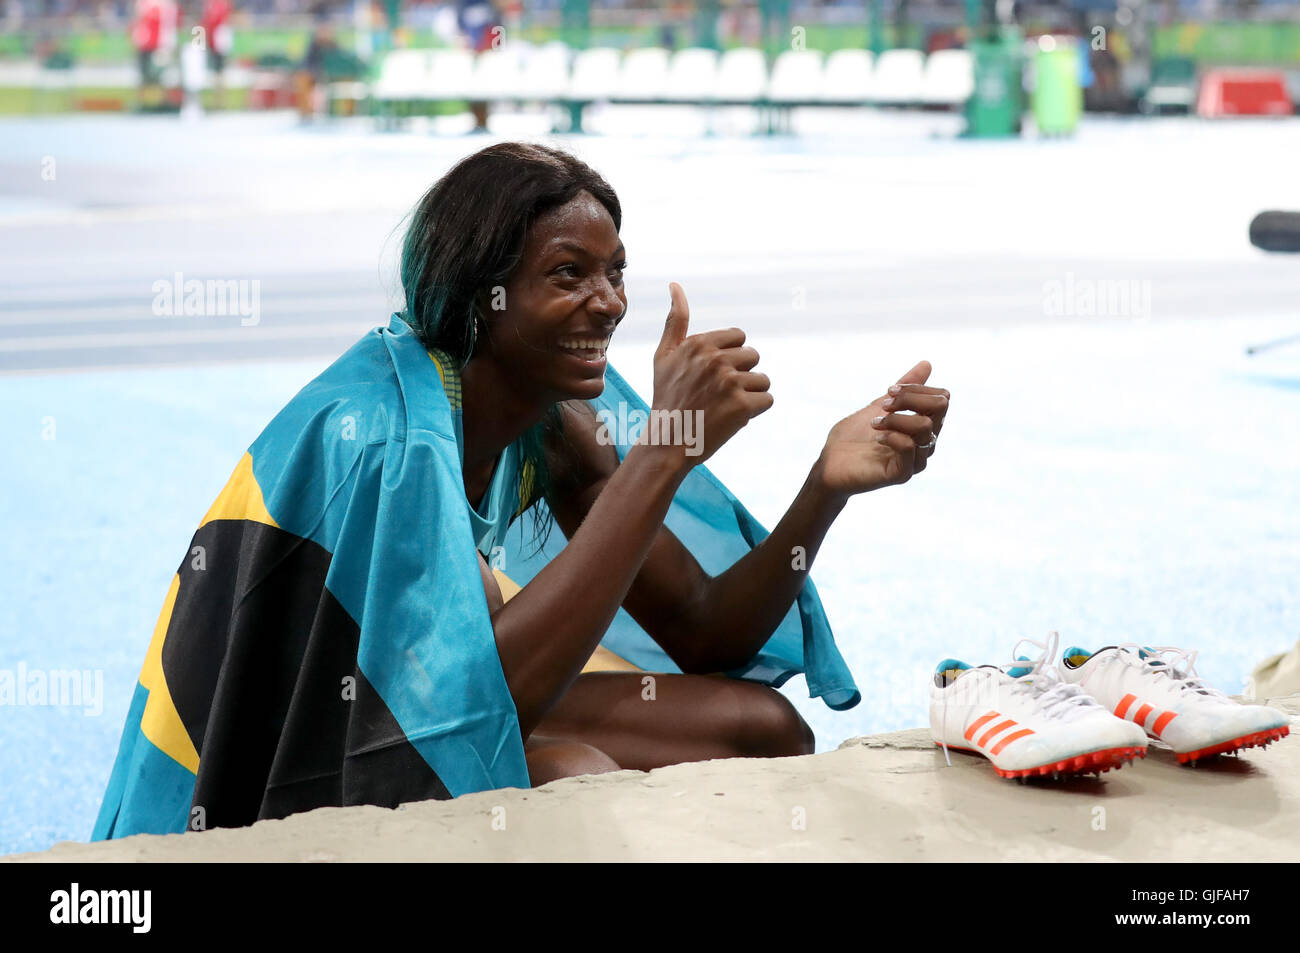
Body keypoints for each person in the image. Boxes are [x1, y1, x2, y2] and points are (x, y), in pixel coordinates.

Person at [92, 143, 950, 838]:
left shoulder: (557, 419)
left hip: (419, 709)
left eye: (616, 272)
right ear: (478, 297)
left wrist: (825, 485)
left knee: (760, 726)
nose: (608, 303)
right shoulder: (388, 435)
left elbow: (705, 629)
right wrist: (661, 454)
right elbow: (466, 708)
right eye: (569, 274)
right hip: (296, 750)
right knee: (574, 780)